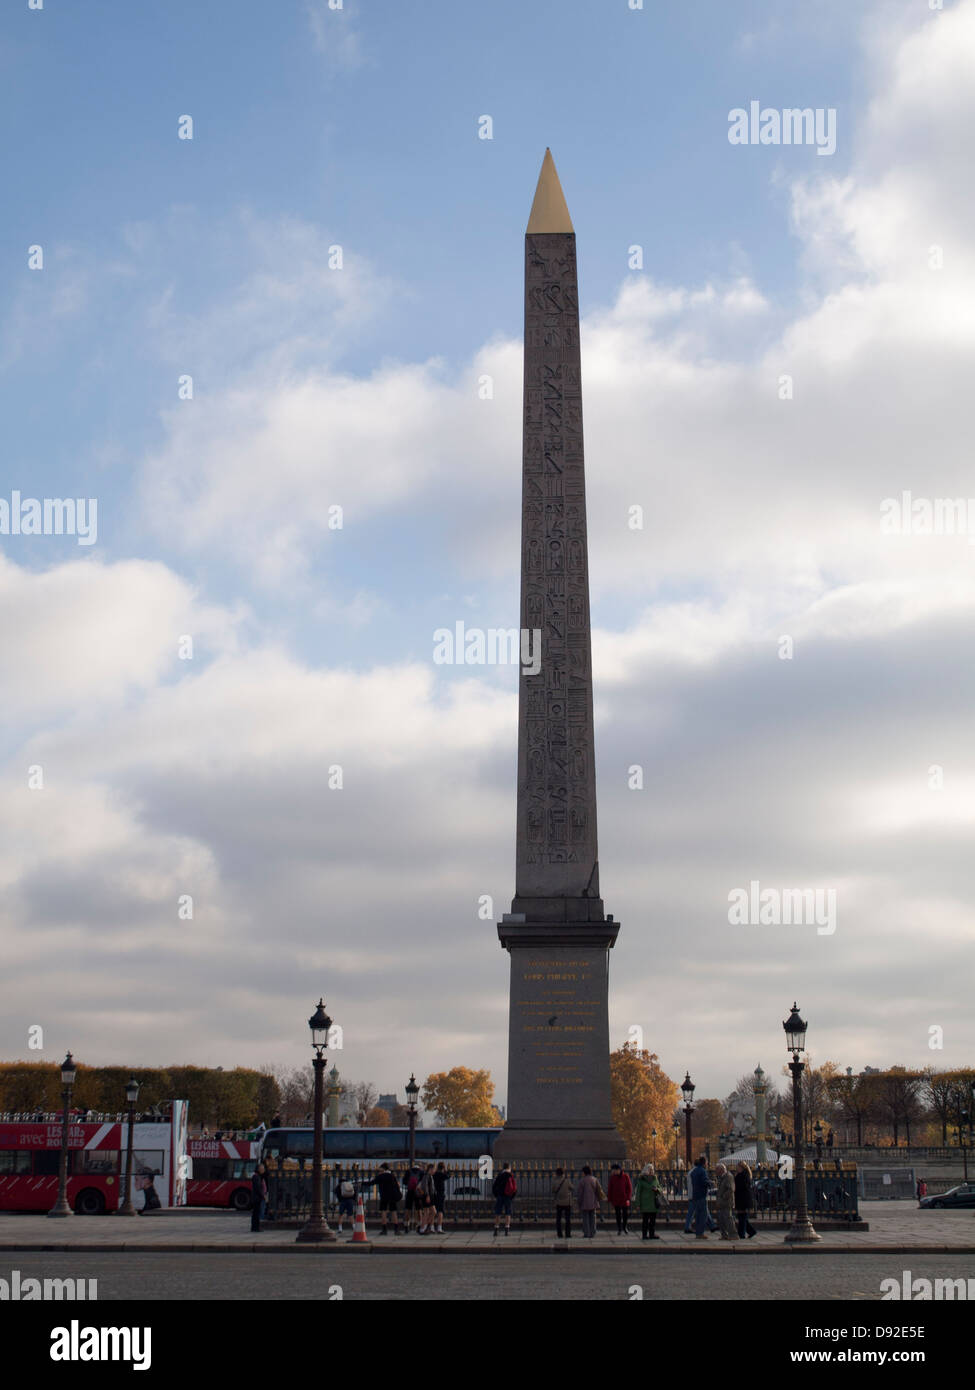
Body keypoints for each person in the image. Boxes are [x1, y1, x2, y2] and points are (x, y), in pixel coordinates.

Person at [575, 1165, 606, 1239]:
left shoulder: (582, 1181)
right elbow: (599, 1190)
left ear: (584, 1172)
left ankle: (587, 1233)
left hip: (585, 1202)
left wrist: (579, 1202)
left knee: (585, 1218)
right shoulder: (594, 1179)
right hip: (593, 1201)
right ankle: (593, 1232)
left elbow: (580, 1194)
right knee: (593, 1217)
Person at [634, 1163, 663, 1240]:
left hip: (653, 1203)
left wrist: (657, 1189)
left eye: (652, 1170)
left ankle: (652, 1234)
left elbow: (660, 1188)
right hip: (645, 1203)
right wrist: (637, 1203)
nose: (651, 1171)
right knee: (645, 1221)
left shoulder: (655, 1179)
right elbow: (638, 1193)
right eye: (650, 1170)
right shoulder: (641, 1179)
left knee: (653, 1221)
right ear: (646, 1170)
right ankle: (644, 1235)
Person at [374, 1163, 403, 1235]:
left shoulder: (381, 1176)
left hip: (384, 1196)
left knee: (383, 1211)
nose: (379, 1170)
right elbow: (397, 1186)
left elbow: (372, 1182)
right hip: (392, 1196)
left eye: (380, 1169)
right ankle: (396, 1229)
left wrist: (362, 1183)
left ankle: (384, 1229)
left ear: (384, 1169)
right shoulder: (392, 1176)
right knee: (394, 1211)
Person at [686, 1155, 710, 1238]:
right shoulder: (702, 1171)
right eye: (707, 1162)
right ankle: (700, 1233)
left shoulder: (694, 1171)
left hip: (695, 1194)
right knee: (703, 1215)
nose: (707, 1164)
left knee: (698, 1215)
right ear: (704, 1163)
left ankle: (697, 1232)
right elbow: (704, 1182)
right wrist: (710, 1183)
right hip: (701, 1195)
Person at [607, 1162, 633, 1234]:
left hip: (624, 1199)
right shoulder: (612, 1177)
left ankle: (624, 1227)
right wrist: (610, 1198)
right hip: (616, 1199)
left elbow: (629, 1188)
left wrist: (628, 1197)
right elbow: (610, 1189)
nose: (613, 1171)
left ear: (618, 1170)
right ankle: (619, 1228)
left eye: (614, 1170)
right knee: (618, 1214)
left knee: (625, 1214)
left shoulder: (625, 1176)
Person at [492, 1163, 517, 1237]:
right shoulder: (510, 1175)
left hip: (500, 1196)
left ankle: (496, 1230)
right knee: (508, 1213)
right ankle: (507, 1230)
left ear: (503, 1168)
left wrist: (497, 1195)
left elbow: (494, 1187)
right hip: (508, 1197)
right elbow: (514, 1188)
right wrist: (511, 1197)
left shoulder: (500, 1175)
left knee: (498, 1213)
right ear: (509, 1168)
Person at [715, 1163, 738, 1240]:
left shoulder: (728, 1177)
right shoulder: (722, 1177)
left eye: (717, 1170)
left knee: (728, 1218)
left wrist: (723, 1197)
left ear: (721, 1170)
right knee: (721, 1219)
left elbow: (731, 1189)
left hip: (727, 1202)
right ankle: (724, 1234)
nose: (715, 1171)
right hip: (722, 1202)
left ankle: (733, 1234)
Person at [734, 1161, 757, 1239]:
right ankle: (751, 1231)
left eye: (737, 1167)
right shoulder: (744, 1175)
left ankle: (741, 1234)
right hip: (742, 1198)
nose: (736, 1168)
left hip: (743, 1199)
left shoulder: (743, 1175)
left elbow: (741, 1186)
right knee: (742, 1217)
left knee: (742, 1217)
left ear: (741, 1167)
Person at [552, 1167, 573, 1239]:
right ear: (563, 1173)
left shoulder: (555, 1181)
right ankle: (568, 1233)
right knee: (568, 1219)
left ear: (556, 1174)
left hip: (559, 1202)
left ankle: (559, 1234)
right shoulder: (567, 1181)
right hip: (567, 1202)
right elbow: (572, 1188)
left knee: (558, 1219)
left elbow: (553, 1190)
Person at [403, 1161, 423, 1231]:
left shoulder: (408, 1172)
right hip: (417, 1192)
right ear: (419, 1166)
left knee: (407, 1209)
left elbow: (404, 1182)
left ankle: (406, 1226)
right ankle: (419, 1225)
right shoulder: (421, 1172)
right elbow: (423, 1182)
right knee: (419, 1209)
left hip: (410, 1192)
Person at [417, 1164, 437, 1234]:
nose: (435, 1171)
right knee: (429, 1212)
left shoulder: (429, 1176)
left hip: (428, 1196)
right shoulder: (427, 1176)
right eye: (434, 1169)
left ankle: (424, 1227)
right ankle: (423, 1228)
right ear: (430, 1169)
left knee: (428, 1212)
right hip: (427, 1196)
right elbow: (425, 1186)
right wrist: (427, 1195)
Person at [335, 1168, 356, 1233]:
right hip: (350, 1201)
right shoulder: (349, 1185)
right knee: (351, 1215)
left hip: (342, 1201)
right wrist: (353, 1199)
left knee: (341, 1214)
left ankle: (340, 1228)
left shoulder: (339, 1186)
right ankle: (353, 1227)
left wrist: (340, 1199)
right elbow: (354, 1193)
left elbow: (337, 1193)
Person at [250, 1162, 267, 1232]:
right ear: (258, 1169)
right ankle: (255, 1228)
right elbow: (258, 1188)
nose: (263, 1170)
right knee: (256, 1213)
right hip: (257, 1198)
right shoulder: (256, 1177)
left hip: (257, 1197)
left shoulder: (258, 1176)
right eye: (262, 1168)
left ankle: (255, 1227)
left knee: (256, 1213)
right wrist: (263, 1195)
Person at [432, 1161, 448, 1234]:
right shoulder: (442, 1175)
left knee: (432, 1211)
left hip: (434, 1194)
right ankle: (439, 1227)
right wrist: (445, 1170)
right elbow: (447, 1176)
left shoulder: (434, 1174)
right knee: (440, 1211)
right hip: (440, 1194)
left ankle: (431, 1227)